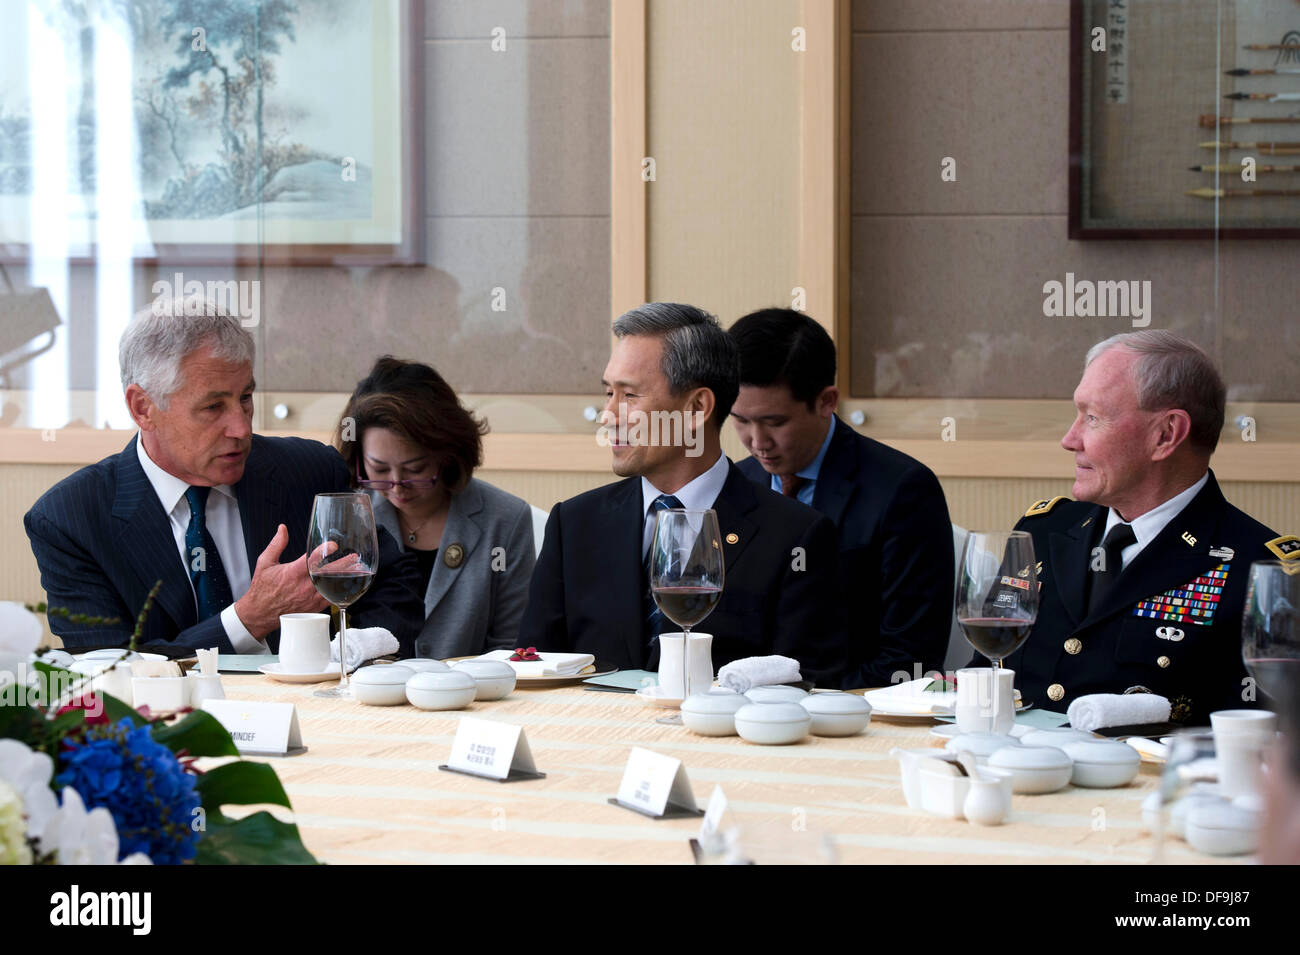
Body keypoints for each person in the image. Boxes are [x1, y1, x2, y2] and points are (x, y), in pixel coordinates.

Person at [24, 297, 425, 655]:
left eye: (245, 398)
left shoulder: (308, 470)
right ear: (143, 407)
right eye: (214, 407)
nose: (241, 427)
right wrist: (247, 620)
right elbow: (109, 674)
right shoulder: (70, 519)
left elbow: (397, 590)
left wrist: (346, 654)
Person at [519, 303, 848, 687]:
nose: (608, 414)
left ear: (696, 408)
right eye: (609, 392)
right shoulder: (575, 524)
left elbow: (809, 687)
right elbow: (533, 668)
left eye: (630, 396)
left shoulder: (795, 536)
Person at [982, 330, 1292, 723]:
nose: (1069, 439)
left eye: (1093, 418)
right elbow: (985, 675)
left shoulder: (1263, 570)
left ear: (1165, 435)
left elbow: (1265, 743)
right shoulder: (1041, 530)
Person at [728, 308, 954, 688]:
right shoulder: (735, 482)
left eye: (775, 422)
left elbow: (910, 661)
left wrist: (798, 699)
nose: (757, 442)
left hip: (852, 713)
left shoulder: (904, 491)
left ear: (826, 401)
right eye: (740, 420)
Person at [334, 357, 535, 658]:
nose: (397, 485)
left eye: (415, 469)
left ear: (446, 453)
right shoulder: (349, 515)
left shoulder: (505, 519)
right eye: (379, 469)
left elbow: (511, 650)